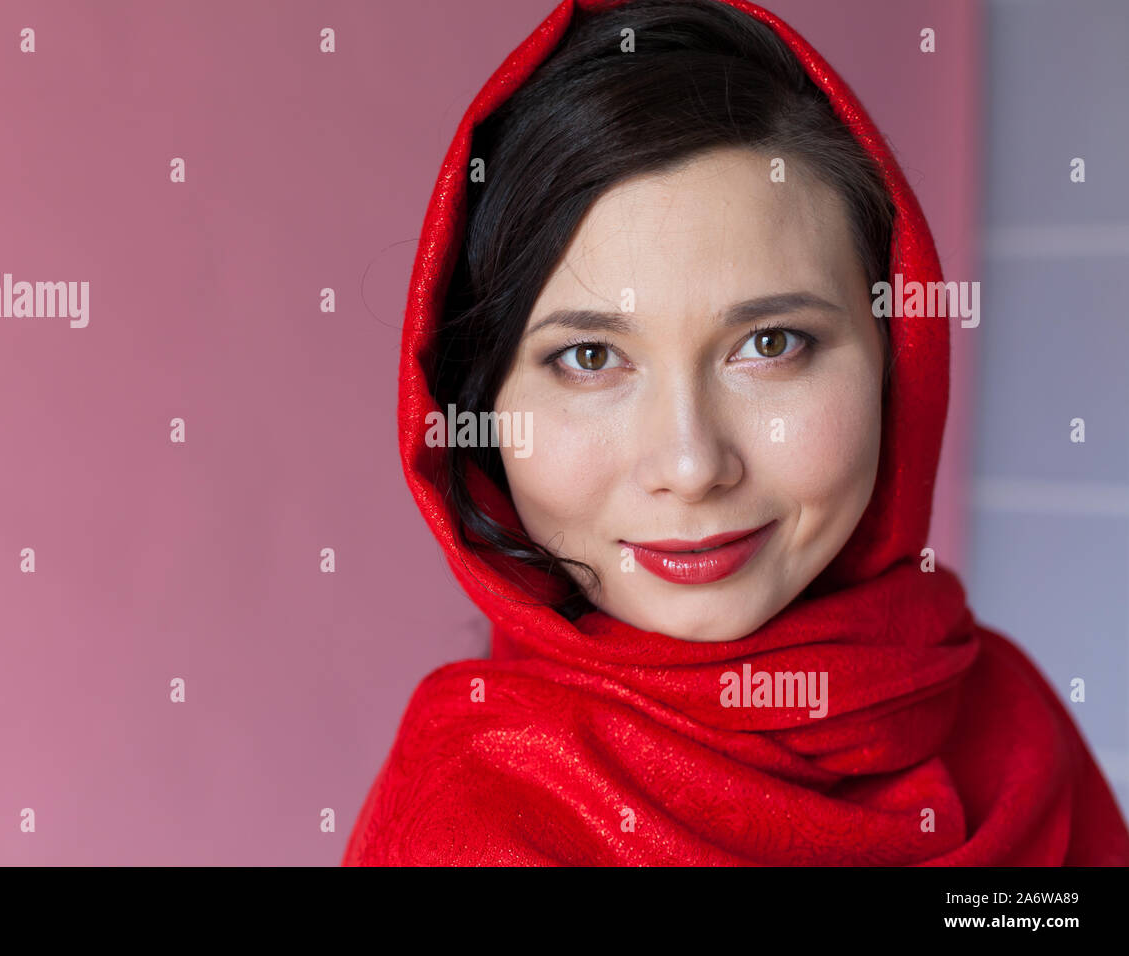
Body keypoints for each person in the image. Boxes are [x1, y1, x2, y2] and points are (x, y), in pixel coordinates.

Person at [343, 0, 1129, 865]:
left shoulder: (1006, 721)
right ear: (480, 409)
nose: (691, 464)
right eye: (591, 356)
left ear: (895, 355)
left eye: (771, 344)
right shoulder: (469, 822)